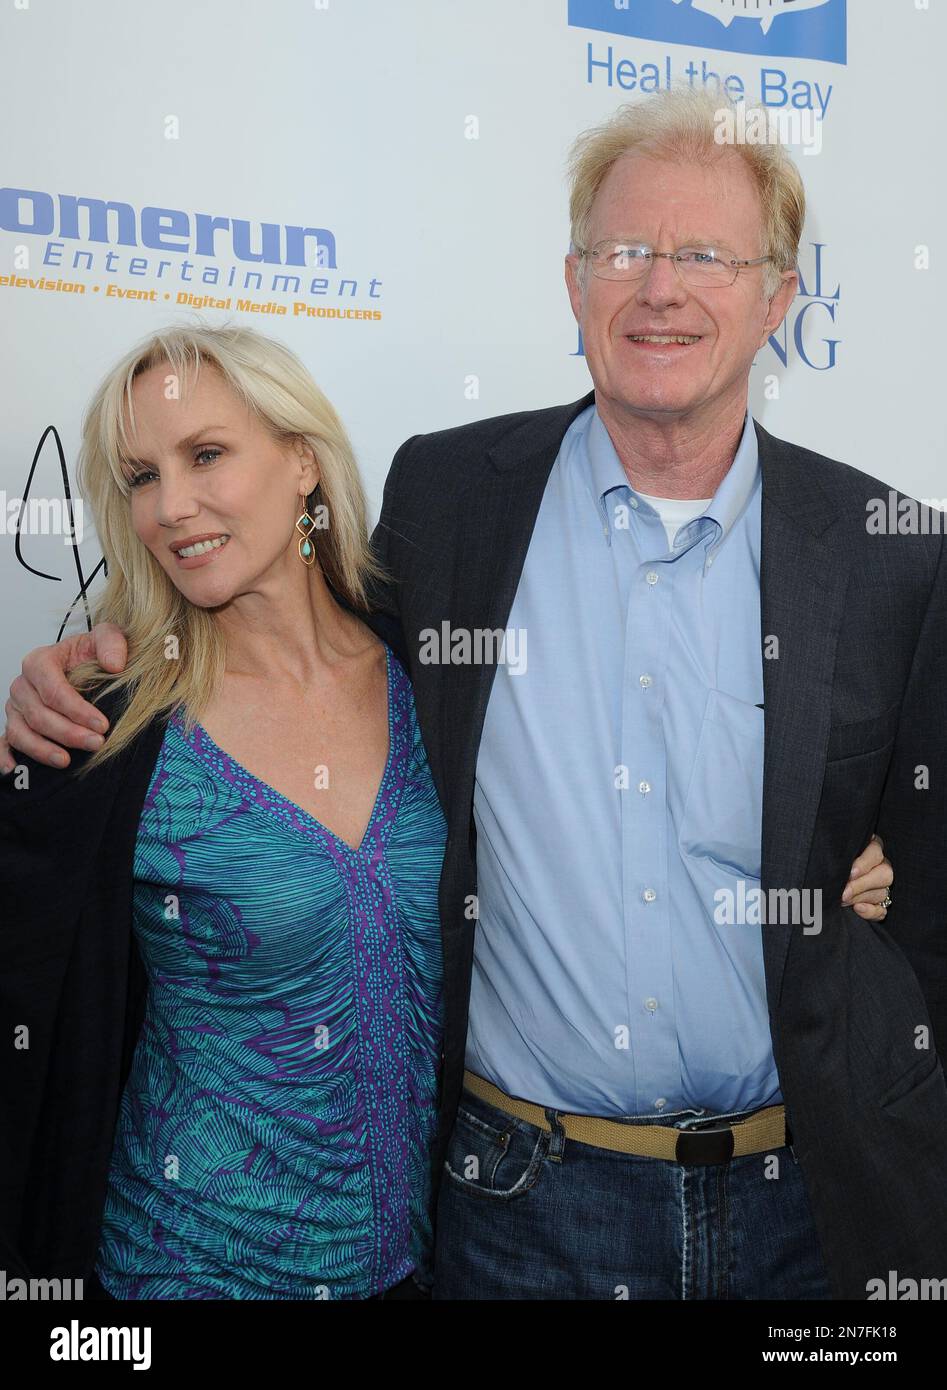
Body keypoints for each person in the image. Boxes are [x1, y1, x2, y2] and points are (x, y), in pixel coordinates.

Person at [4, 87, 929, 1300]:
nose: (657, 287)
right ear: (570, 282)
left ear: (777, 297)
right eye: (621, 252)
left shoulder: (888, 551)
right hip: (513, 1209)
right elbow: (273, 642)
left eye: (704, 254)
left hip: (806, 1208)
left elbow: (919, 874)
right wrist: (69, 671)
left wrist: (861, 863)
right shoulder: (450, 502)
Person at [0, 324, 447, 1300]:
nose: (171, 506)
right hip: (183, 1271)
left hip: (414, 1268)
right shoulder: (107, 730)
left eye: (205, 455)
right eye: (140, 477)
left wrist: (847, 850)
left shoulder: (430, 679)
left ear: (301, 461)